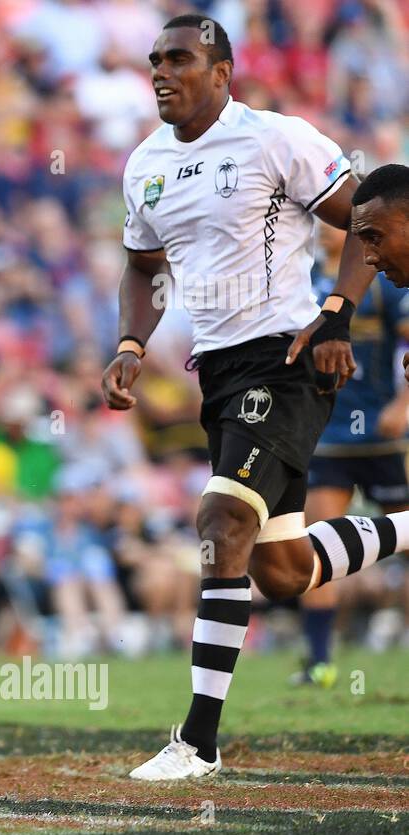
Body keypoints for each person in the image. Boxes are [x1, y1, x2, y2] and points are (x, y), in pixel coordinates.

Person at [102, 16, 403, 781]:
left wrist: (337, 311)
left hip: (286, 358)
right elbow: (143, 268)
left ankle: (198, 740)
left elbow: (365, 216)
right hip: (220, 375)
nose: (162, 72)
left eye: (180, 59)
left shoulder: (275, 138)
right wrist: (132, 346)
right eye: (154, 61)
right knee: (282, 571)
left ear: (223, 71)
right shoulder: (144, 166)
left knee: (220, 520)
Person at [296, 219, 409, 688]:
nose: (323, 228)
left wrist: (404, 404)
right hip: (329, 439)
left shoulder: (383, 283)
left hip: (385, 438)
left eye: (333, 220)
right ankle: (320, 662)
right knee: (315, 549)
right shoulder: (302, 284)